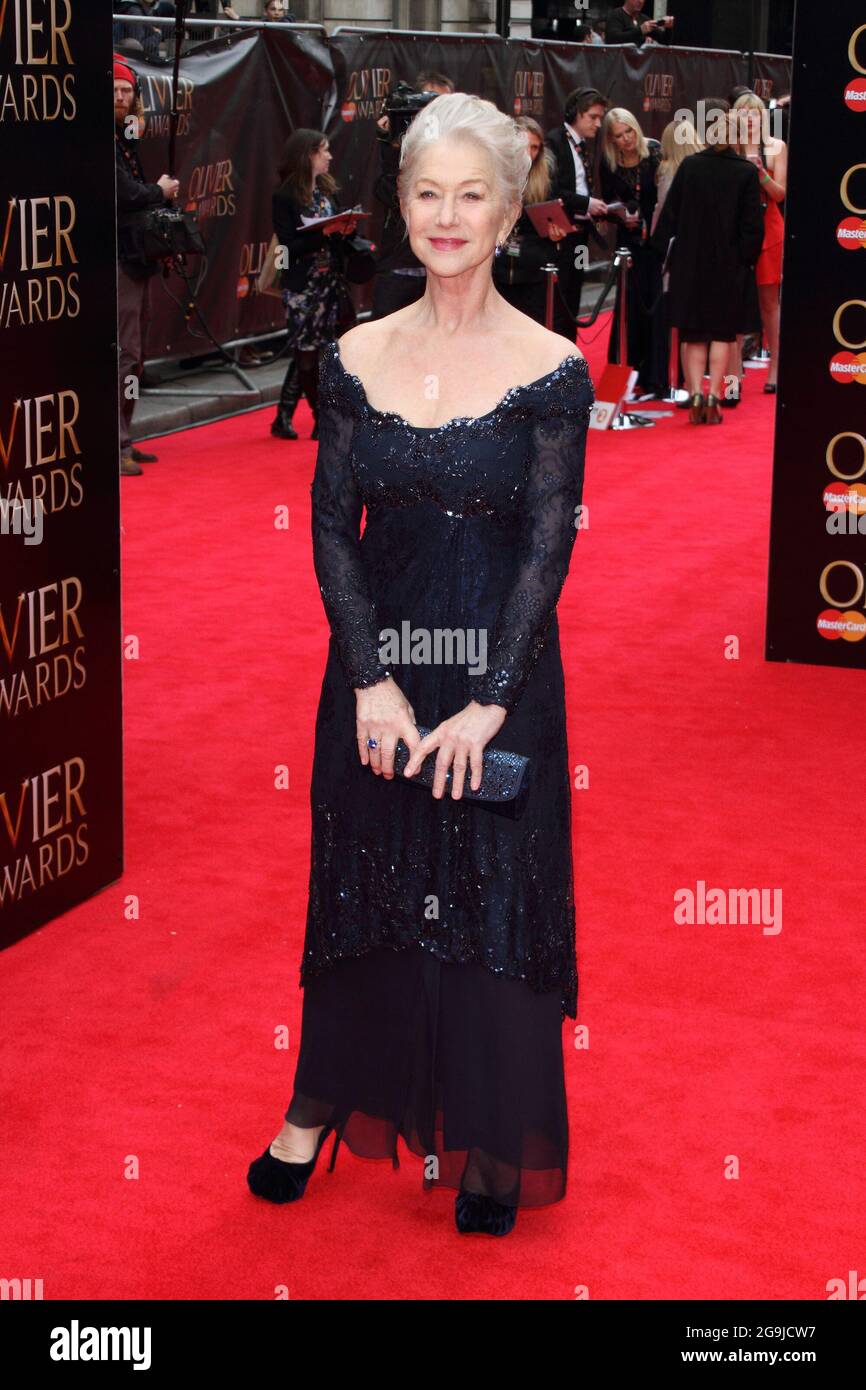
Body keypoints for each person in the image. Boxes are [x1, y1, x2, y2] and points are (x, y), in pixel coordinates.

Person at [246, 92, 595, 1236]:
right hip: (378, 666)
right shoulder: (351, 356)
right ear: (399, 204)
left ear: (506, 213)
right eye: (425, 192)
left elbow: (545, 554)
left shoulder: (551, 369)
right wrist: (372, 678)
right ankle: (321, 1100)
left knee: (493, 894)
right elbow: (327, 526)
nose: (446, 216)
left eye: (470, 195)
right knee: (360, 875)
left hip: (500, 675)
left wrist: (489, 704)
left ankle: (491, 1136)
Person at [651, 99, 764, 424]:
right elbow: (752, 227)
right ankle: (714, 393)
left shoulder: (690, 167)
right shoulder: (745, 172)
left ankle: (695, 393)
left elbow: (669, 216)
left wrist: (662, 254)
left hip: (690, 264)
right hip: (728, 267)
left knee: (693, 334)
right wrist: (745, 262)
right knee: (722, 335)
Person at [114, 54, 179, 476]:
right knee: (125, 354)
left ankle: (126, 437)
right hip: (118, 260)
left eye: (127, 92)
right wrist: (158, 192)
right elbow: (125, 193)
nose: (121, 98)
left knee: (136, 358)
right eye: (115, 91)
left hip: (138, 260)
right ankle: (115, 443)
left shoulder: (127, 139)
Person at [270, 131, 358, 440]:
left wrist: (344, 229)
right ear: (309, 155)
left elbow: (333, 236)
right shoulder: (284, 196)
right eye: (324, 151)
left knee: (320, 352)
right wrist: (324, 232)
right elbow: (288, 246)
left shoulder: (328, 190)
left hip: (329, 283)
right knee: (306, 352)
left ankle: (286, 416)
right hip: (302, 286)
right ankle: (319, 416)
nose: (330, 156)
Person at [370, 72, 455, 320]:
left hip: (443, 269)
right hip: (399, 264)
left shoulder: (462, 149)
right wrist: (389, 145)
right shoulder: (395, 144)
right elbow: (388, 193)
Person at [598, 107, 666, 398]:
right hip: (627, 241)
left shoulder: (654, 152)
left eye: (629, 132)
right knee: (629, 306)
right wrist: (619, 215)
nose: (626, 139)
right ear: (611, 141)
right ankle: (627, 371)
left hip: (655, 241)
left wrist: (649, 220)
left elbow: (665, 197)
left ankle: (655, 376)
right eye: (618, 136)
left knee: (655, 304)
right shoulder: (609, 163)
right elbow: (607, 202)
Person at [732, 92, 787, 393]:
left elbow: (780, 193)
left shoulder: (776, 146)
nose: (750, 119)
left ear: (763, 117)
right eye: (744, 113)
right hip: (738, 227)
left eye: (755, 113)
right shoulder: (730, 148)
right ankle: (733, 372)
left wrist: (761, 173)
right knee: (736, 300)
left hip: (769, 226)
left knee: (769, 302)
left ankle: (776, 368)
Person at [545, 87, 610, 339]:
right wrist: (586, 204)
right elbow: (553, 190)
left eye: (600, 117)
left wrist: (593, 209)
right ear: (576, 114)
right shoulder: (555, 141)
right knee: (562, 297)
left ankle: (571, 349)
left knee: (574, 292)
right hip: (562, 236)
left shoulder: (582, 145)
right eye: (593, 117)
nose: (598, 123)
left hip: (581, 236)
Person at [492, 116, 568, 324]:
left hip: (533, 271)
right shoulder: (493, 175)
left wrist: (555, 232)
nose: (529, 153)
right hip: (496, 269)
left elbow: (553, 220)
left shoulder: (546, 179)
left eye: (535, 148)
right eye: (525, 146)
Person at [605, 0, 674, 46]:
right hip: (619, 62)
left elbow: (665, 41)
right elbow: (613, 39)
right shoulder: (616, 14)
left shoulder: (643, 18)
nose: (640, 1)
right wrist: (640, 31)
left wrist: (669, 28)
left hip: (639, 64)